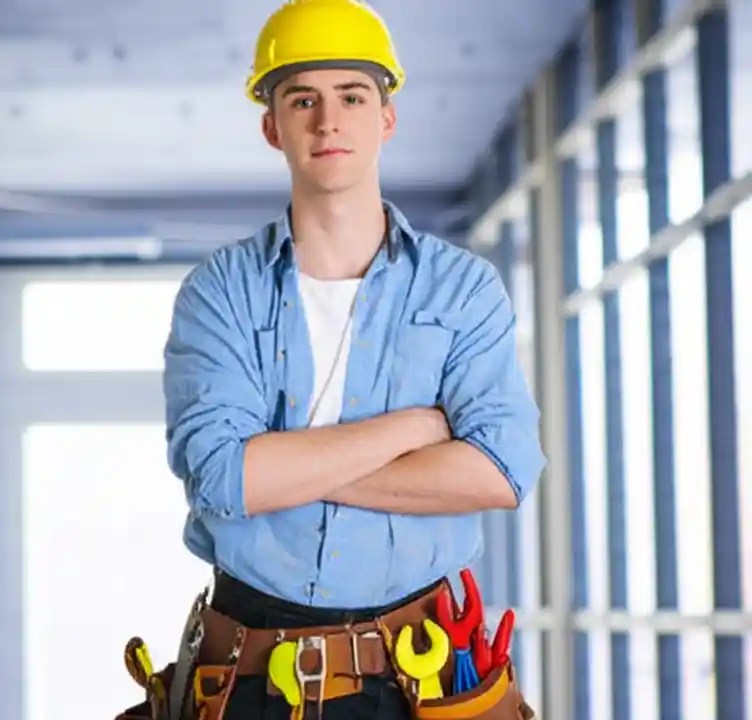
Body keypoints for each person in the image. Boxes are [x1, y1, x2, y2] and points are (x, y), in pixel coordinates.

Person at [138, 1, 547, 718]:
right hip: (246, 681)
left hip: (423, 678)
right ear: (273, 126)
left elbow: (503, 470)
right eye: (303, 99)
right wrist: (416, 428)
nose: (329, 121)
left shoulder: (461, 288)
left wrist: (286, 471)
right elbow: (223, 478)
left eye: (352, 96)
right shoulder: (221, 292)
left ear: (385, 117)